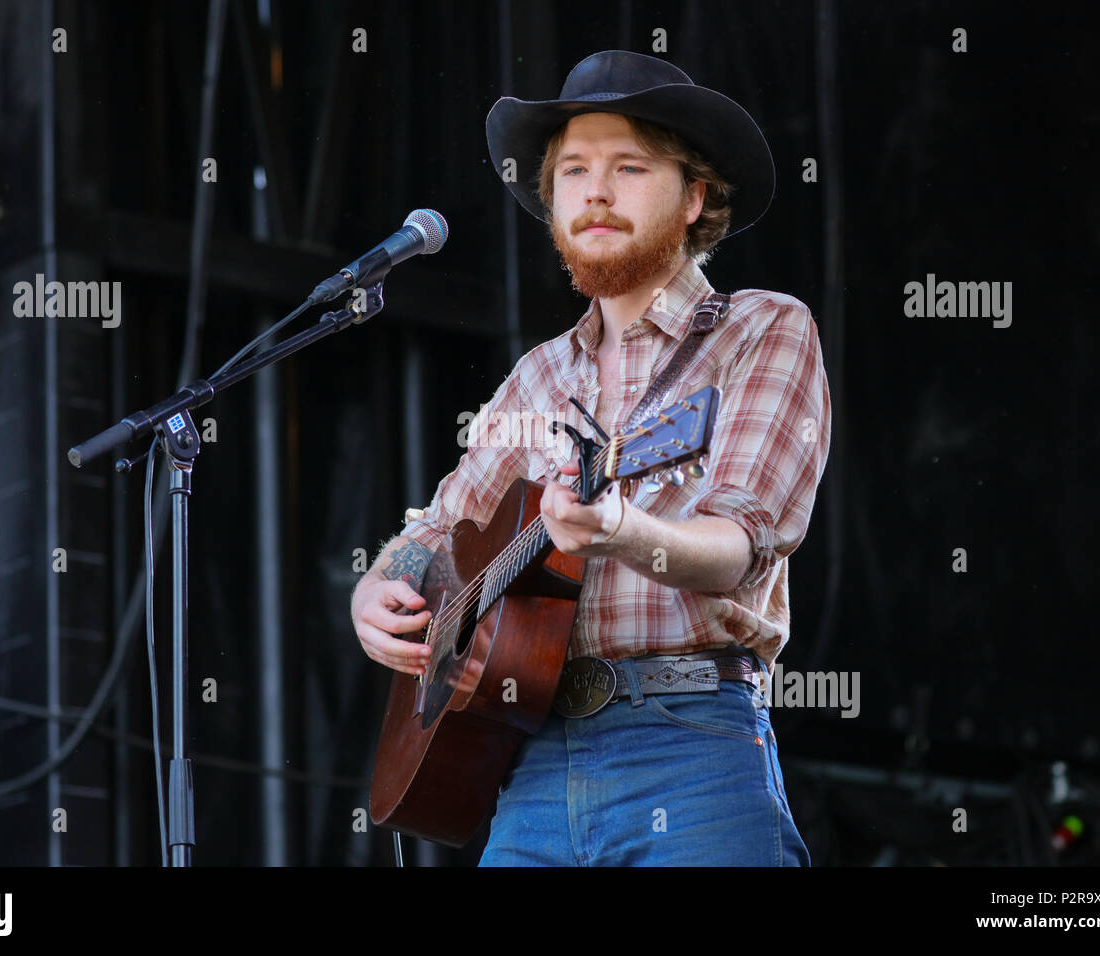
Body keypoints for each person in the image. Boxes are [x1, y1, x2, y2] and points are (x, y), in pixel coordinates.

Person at [351, 50, 831, 866]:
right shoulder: (539, 375)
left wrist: (620, 529)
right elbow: (436, 531)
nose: (595, 192)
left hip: (691, 750)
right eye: (573, 170)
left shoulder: (761, 329)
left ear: (695, 197)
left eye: (629, 167)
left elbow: (739, 546)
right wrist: (376, 588)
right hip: (530, 765)